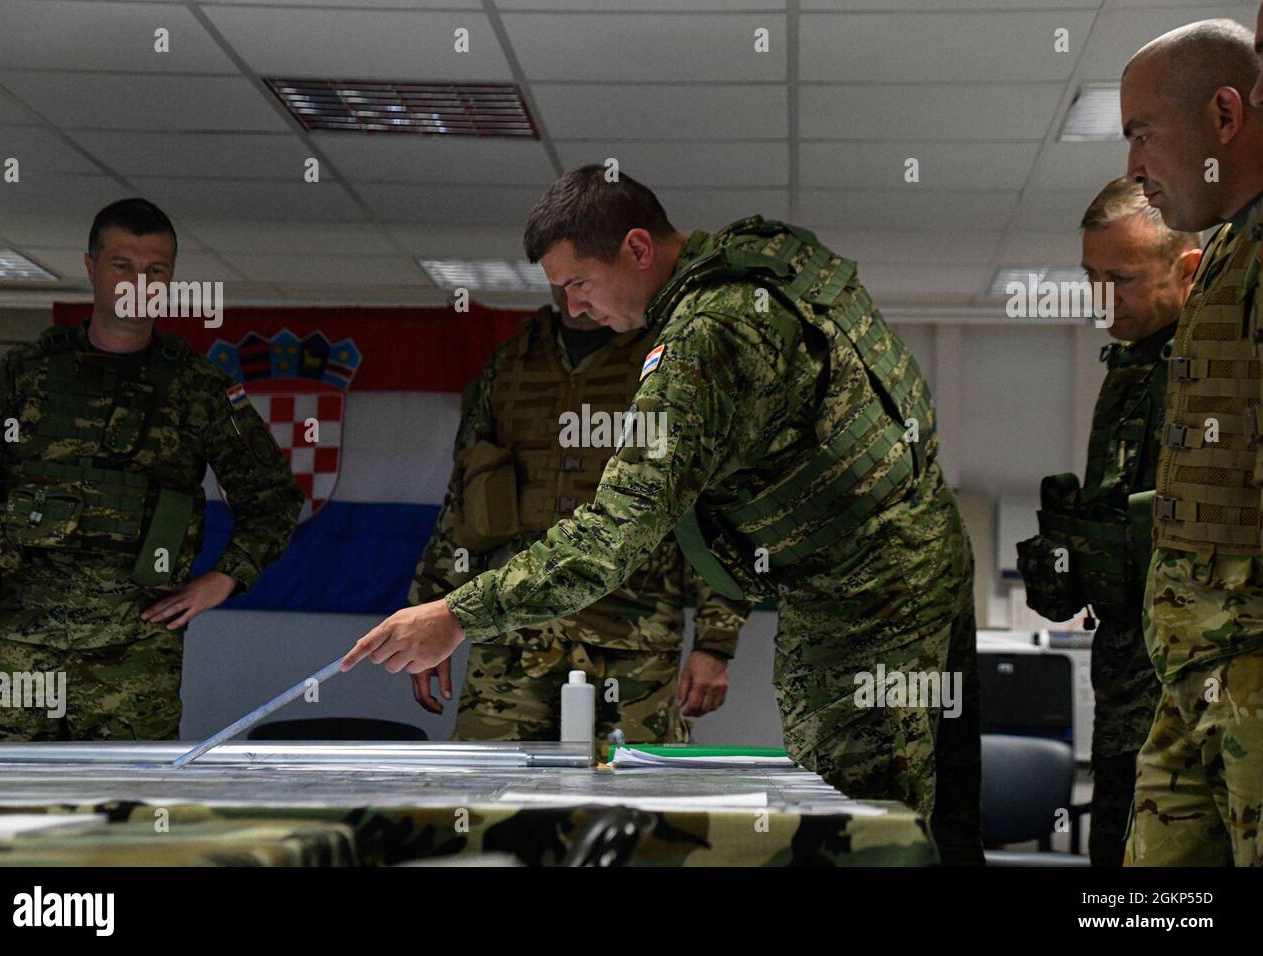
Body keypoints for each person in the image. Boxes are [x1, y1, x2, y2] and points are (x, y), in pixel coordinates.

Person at [345, 167, 984, 864]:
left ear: (638, 250)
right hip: (925, 558)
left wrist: (456, 615)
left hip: (862, 600)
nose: (576, 307)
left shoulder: (700, 342)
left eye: (579, 283)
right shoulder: (764, 260)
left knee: (861, 833)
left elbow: (616, 531)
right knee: (937, 822)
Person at [0, 198, 303, 740]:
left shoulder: (198, 389)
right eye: (122, 265)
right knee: (3, 806)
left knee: (129, 809)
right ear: (91, 266)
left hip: (137, 654)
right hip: (18, 644)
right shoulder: (24, 374)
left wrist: (226, 577)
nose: (137, 283)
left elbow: (274, 499)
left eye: (156, 269)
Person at [407, 285, 749, 749]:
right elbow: (466, 496)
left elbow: (714, 506)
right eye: (561, 280)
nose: (573, 296)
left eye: (584, 280)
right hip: (510, 635)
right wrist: (429, 609)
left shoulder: (667, 364)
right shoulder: (510, 366)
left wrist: (715, 643)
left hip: (633, 637)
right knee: (488, 794)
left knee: (643, 802)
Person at [1016, 176, 1201, 866]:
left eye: (1121, 279)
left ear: (1188, 270)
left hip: (1199, 690)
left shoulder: (1227, 357)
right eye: (1091, 277)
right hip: (1129, 686)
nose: (1101, 297)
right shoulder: (1129, 366)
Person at [1120, 17, 1263, 865]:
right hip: (1193, 666)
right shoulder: (1223, 258)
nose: (1134, 170)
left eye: (1144, 135)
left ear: (1222, 117)